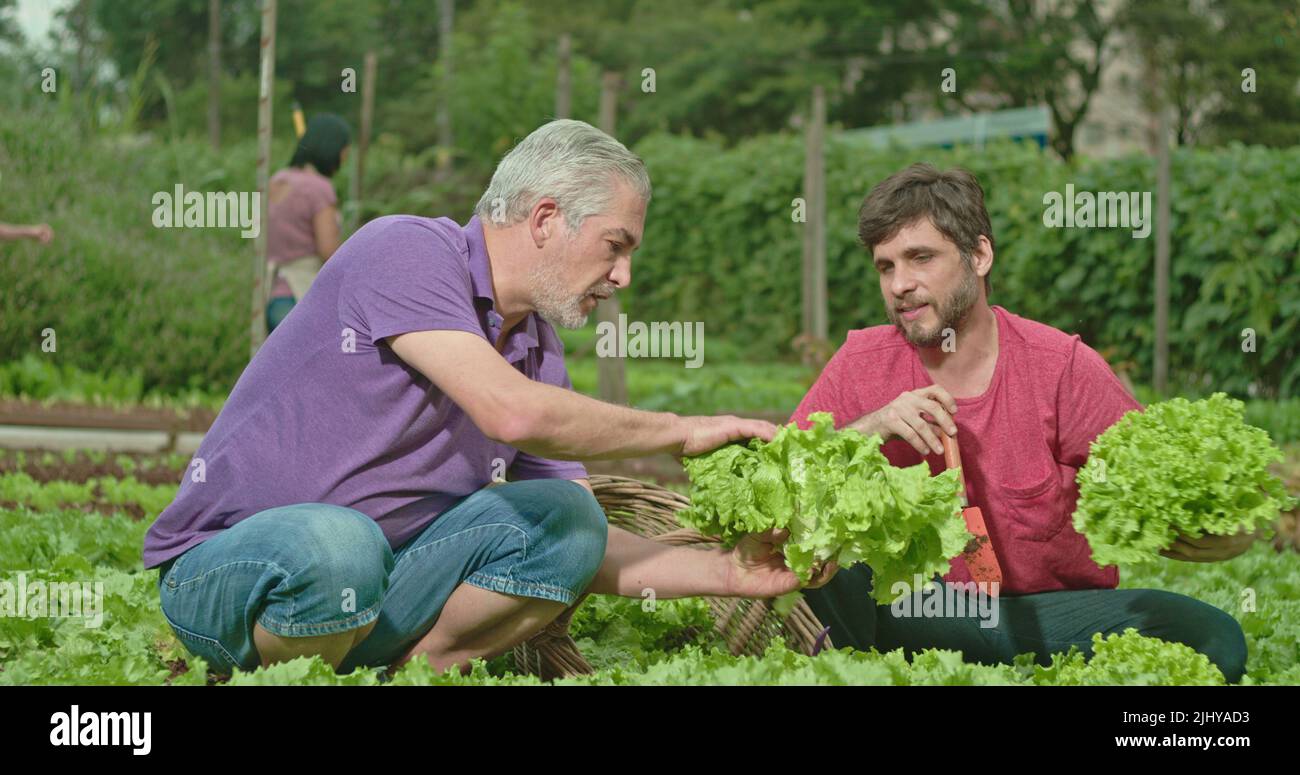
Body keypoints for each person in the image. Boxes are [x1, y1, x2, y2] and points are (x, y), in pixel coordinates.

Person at [143, 119, 834, 677]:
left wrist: (728, 569)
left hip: (374, 592)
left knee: (569, 517)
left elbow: (582, 543)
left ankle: (416, 669)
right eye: (615, 246)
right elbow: (513, 411)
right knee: (337, 545)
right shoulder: (406, 250)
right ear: (544, 219)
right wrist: (681, 431)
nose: (622, 275)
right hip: (234, 577)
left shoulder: (536, 348)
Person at [793, 163, 1251, 682]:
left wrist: (1222, 525)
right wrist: (872, 426)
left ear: (980, 256)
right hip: (912, 612)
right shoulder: (861, 363)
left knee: (1214, 638)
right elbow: (782, 478)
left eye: (921, 258)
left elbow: (1160, 483)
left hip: (1046, 616)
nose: (900, 284)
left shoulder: (1061, 367)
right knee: (822, 536)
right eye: (885, 266)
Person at [264, 113, 349, 333]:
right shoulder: (318, 189)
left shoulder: (276, 181)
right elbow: (328, 251)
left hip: (271, 294)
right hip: (302, 294)